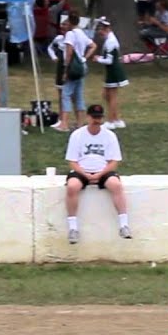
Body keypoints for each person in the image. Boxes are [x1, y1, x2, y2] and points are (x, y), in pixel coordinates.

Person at [64, 104, 131, 244]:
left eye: (99, 117)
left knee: (116, 185)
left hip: (103, 169)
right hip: (81, 169)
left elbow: (114, 161)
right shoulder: (77, 135)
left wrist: (100, 174)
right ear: (88, 117)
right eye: (94, 117)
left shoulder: (110, 136)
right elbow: (72, 161)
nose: (97, 120)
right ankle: (73, 228)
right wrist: (85, 174)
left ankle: (124, 225)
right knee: (72, 187)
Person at [58, 13, 96, 133]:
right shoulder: (81, 33)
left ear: (70, 22)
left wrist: (65, 69)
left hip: (72, 68)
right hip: (81, 67)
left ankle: (64, 123)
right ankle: (80, 123)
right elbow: (93, 46)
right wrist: (84, 58)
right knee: (79, 95)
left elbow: (69, 53)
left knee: (66, 94)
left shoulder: (70, 34)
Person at [91, 18, 129, 129]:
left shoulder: (110, 42)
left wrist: (98, 59)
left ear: (107, 29)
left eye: (101, 30)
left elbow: (110, 60)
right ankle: (116, 119)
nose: (100, 32)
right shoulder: (109, 39)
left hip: (114, 71)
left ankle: (112, 120)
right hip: (111, 71)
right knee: (107, 95)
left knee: (111, 96)